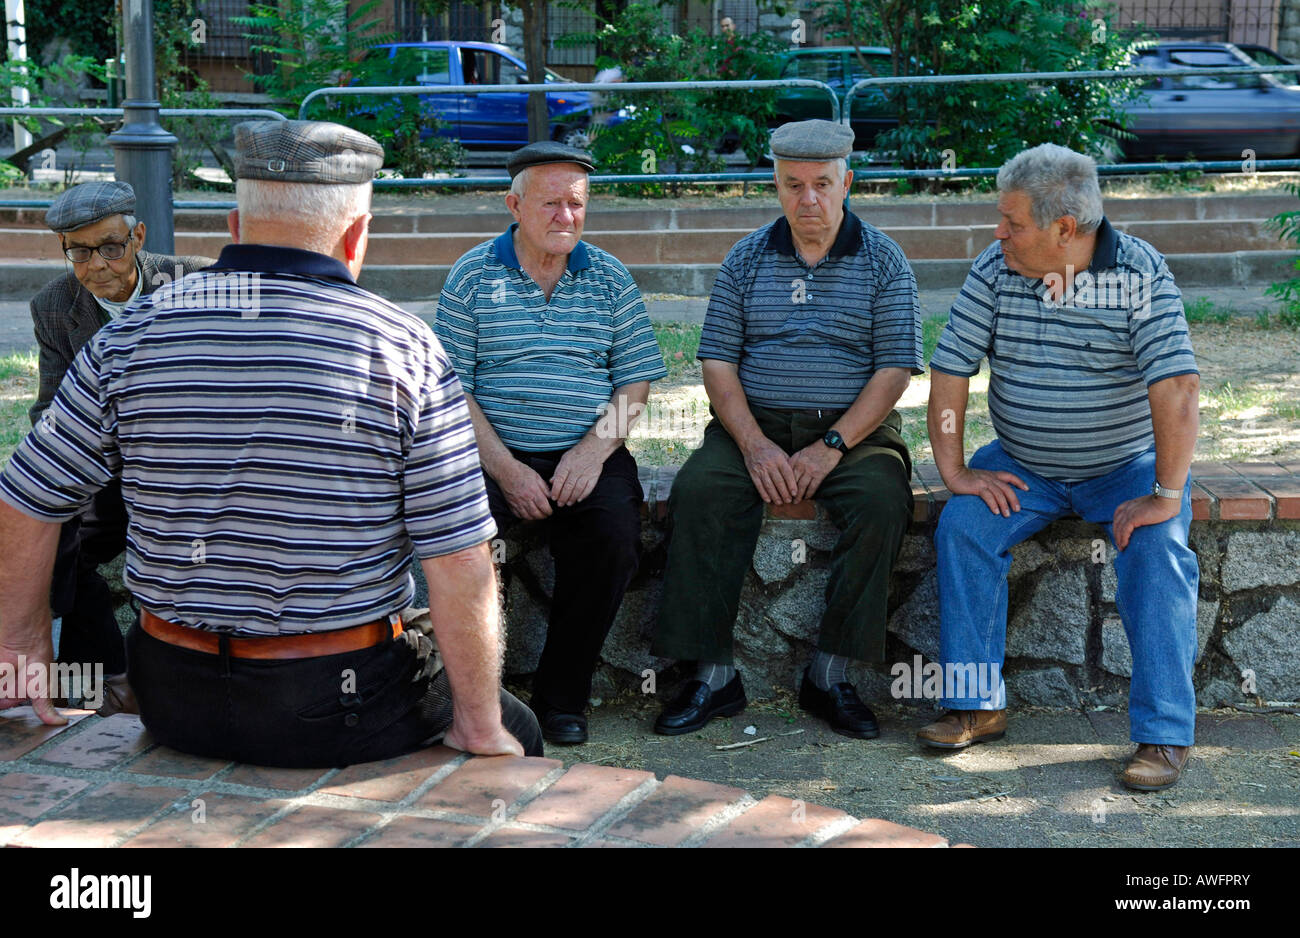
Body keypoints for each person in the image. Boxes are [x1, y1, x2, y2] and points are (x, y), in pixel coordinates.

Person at [0, 120, 541, 766]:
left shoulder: (127, 337)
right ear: (356, 236)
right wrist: (479, 726)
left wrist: (22, 647)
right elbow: (458, 558)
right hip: (339, 701)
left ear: (235, 226)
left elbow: (25, 495)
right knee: (521, 731)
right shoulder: (404, 349)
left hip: (173, 695)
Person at [919, 143, 1201, 792]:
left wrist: (1165, 493)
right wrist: (957, 470)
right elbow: (949, 371)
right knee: (963, 526)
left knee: (1159, 550)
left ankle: (1163, 736)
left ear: (1065, 230)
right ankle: (976, 706)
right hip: (1025, 466)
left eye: (1012, 223)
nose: (998, 233)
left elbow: (1178, 389)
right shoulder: (996, 267)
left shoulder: (1139, 273)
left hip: (1126, 467)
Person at [651, 119, 923, 739]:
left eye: (822, 185)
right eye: (793, 185)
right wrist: (752, 444)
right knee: (701, 493)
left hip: (854, 430)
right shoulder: (746, 258)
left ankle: (829, 675)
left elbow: (894, 369)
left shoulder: (884, 261)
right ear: (775, 185)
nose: (809, 200)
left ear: (846, 182)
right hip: (753, 422)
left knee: (882, 501)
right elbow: (717, 361)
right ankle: (713, 677)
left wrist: (832, 447)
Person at [435, 141, 668, 746]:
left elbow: (635, 379)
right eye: (550, 204)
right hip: (491, 454)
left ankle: (561, 698)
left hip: (586, 451)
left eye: (577, 203)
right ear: (514, 204)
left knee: (614, 538)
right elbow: (453, 389)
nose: (566, 216)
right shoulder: (471, 275)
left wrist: (592, 453)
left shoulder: (610, 276)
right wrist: (508, 470)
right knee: (458, 544)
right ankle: (472, 698)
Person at [30, 181, 210, 714]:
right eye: (79, 251)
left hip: (194, 474)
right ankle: (106, 678)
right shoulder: (55, 307)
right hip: (109, 473)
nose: (98, 264)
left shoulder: (196, 281)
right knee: (57, 540)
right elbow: (51, 408)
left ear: (138, 236)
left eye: (110, 246)